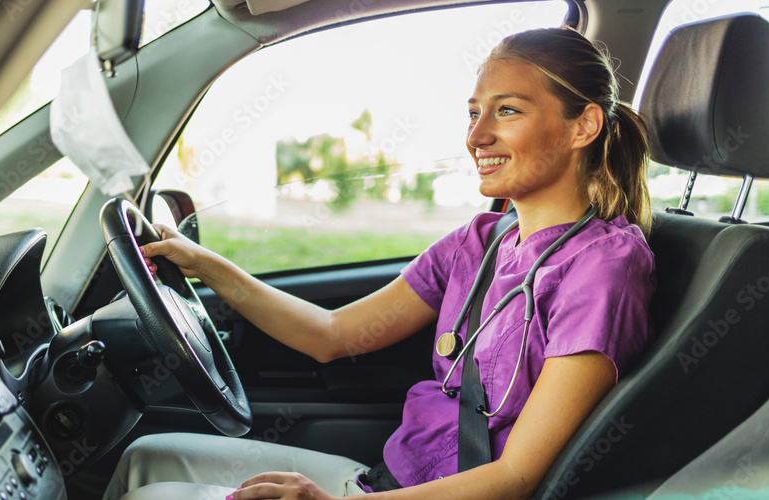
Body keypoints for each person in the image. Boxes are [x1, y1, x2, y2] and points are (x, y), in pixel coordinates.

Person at [102, 27, 656, 500]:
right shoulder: (479, 242)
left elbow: (515, 477)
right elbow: (332, 334)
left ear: (583, 126)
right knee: (146, 459)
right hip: (383, 483)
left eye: (507, 110)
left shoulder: (604, 267)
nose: (477, 135)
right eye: (473, 112)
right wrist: (204, 263)